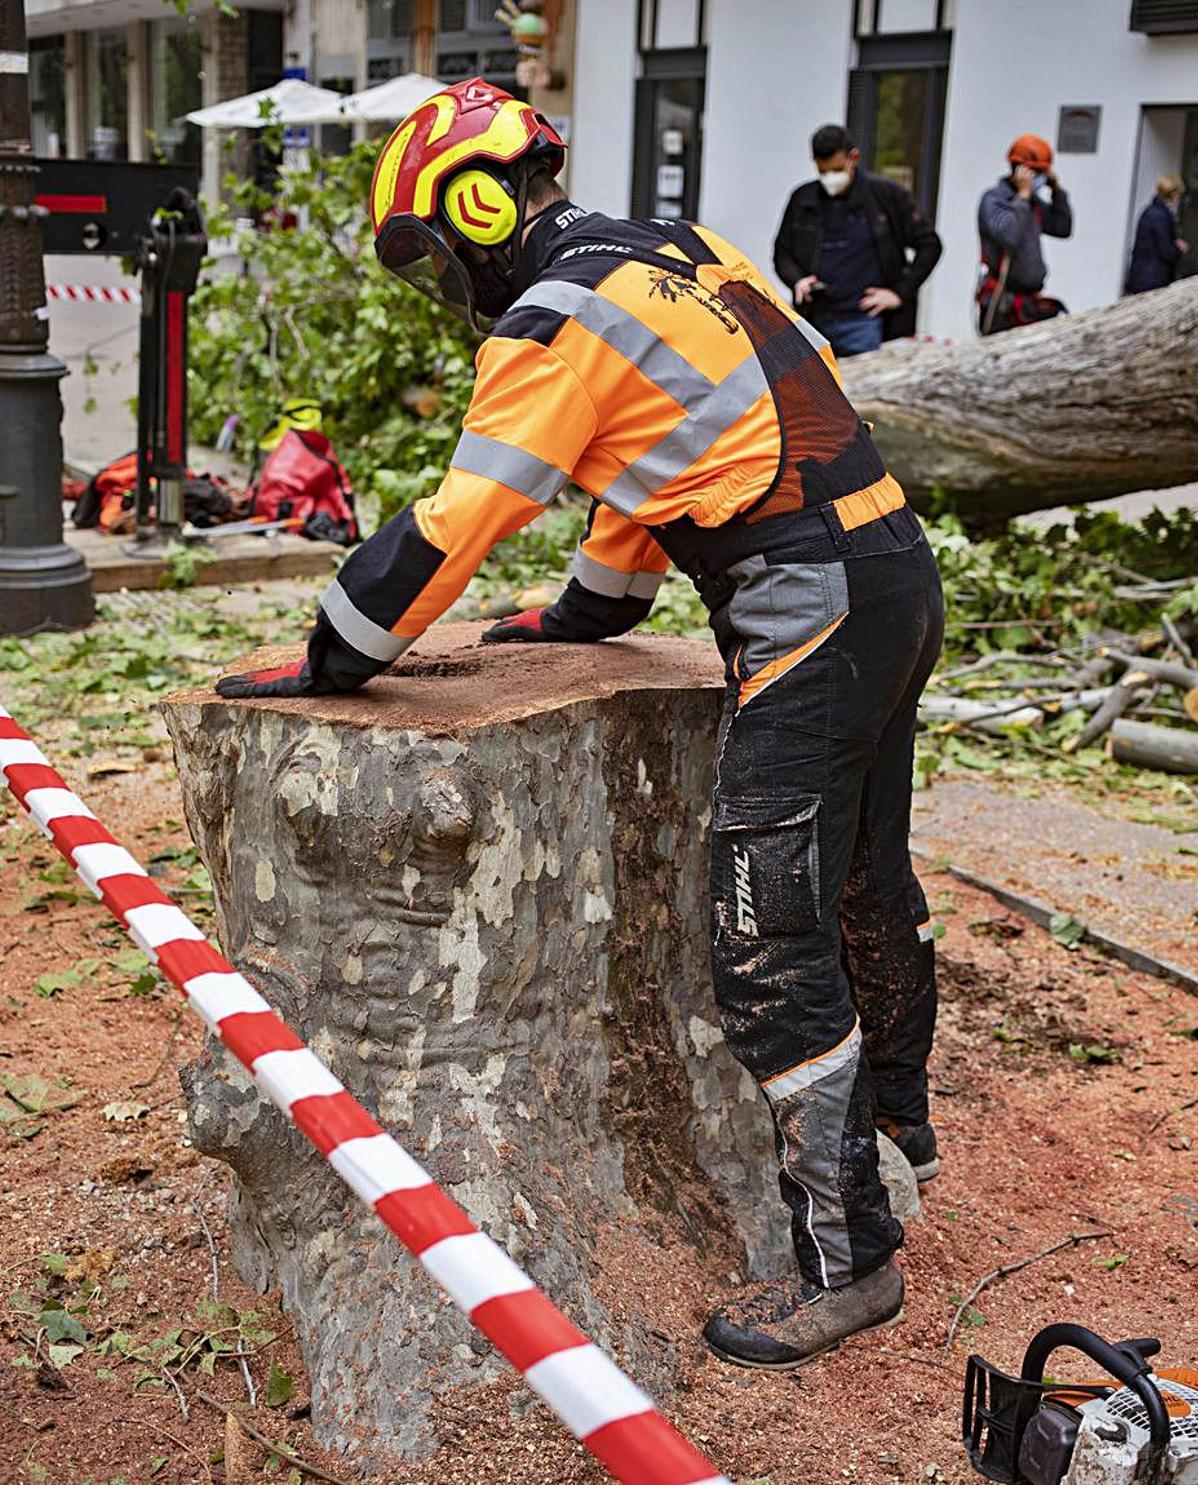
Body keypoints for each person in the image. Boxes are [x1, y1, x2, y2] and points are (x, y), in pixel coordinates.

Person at [217, 79, 944, 1371]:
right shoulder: (679, 256)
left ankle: (851, 1261)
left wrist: (334, 652)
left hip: (808, 595)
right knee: (865, 884)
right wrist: (588, 614)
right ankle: (904, 1131)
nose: (446, 285)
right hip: (890, 565)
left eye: (438, 255)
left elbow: (459, 521)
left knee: (765, 929)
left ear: (478, 206)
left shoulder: (552, 319)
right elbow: (657, 461)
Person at [772, 123, 942, 358]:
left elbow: (930, 245)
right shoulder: (803, 199)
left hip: (867, 322)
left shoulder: (886, 196)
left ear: (854, 158)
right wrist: (797, 280)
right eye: (823, 172)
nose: (830, 178)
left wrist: (899, 293)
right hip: (815, 320)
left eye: (838, 169)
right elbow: (782, 253)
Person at [977, 134, 1072, 334]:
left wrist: (1056, 191)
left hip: (1030, 300)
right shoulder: (994, 200)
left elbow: (1063, 227)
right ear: (1020, 169)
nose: (1040, 178)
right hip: (1003, 302)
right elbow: (1008, 235)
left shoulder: (1033, 203)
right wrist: (1022, 196)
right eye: (1037, 172)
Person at [1125, 174, 1188, 294]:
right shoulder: (1161, 216)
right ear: (1174, 194)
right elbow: (1166, 250)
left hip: (1144, 276)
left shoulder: (1152, 211)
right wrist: (1178, 249)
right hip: (1153, 279)